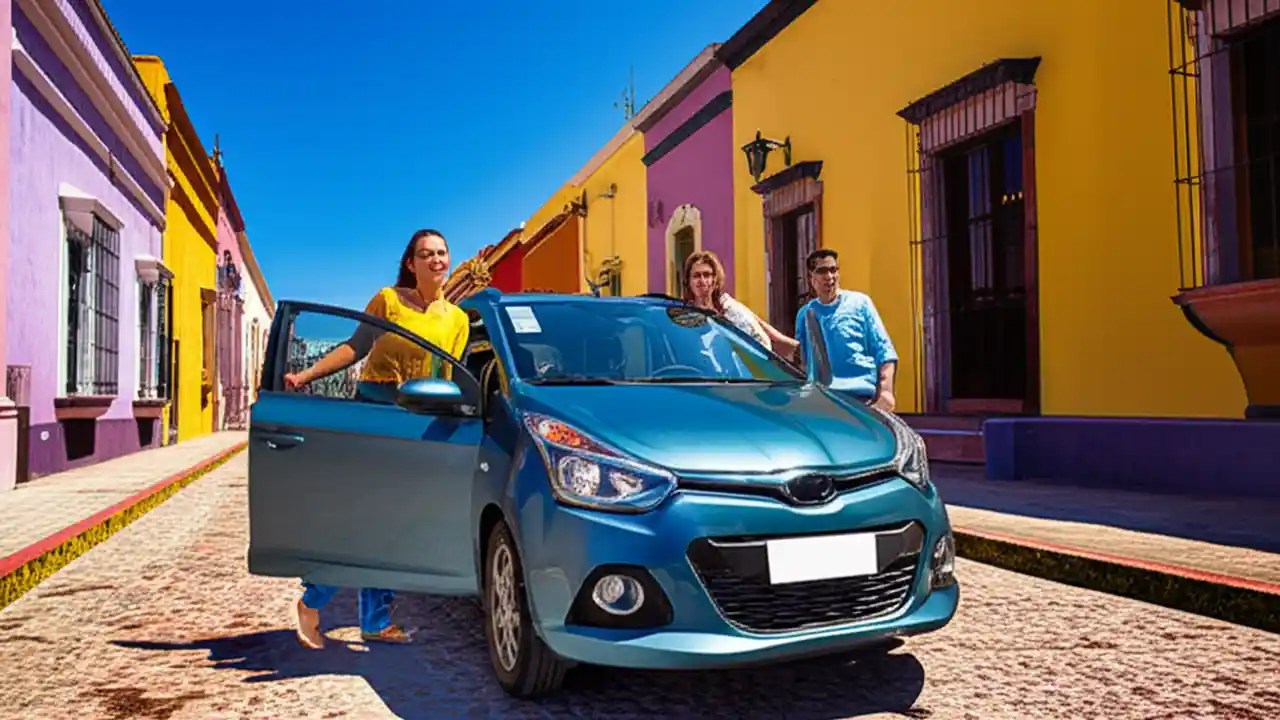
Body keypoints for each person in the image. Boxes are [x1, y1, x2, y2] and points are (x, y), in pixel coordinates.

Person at [283, 228, 470, 649]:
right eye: (427, 254)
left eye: (442, 253)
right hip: (374, 410)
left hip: (417, 419)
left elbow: (449, 375)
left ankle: (374, 619)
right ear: (411, 262)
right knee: (367, 518)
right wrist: (306, 375)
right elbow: (355, 347)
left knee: (396, 524)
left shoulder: (456, 320)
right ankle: (314, 599)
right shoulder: (387, 300)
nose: (437, 260)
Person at [794, 248, 898, 411]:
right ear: (811, 278)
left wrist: (886, 392)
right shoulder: (805, 314)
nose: (829, 277)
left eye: (833, 270)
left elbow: (884, 351)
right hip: (822, 401)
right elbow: (800, 361)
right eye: (822, 271)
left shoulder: (860, 304)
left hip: (862, 399)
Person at [682, 250, 799, 358]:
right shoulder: (684, 314)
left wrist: (795, 348)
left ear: (714, 279)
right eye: (696, 276)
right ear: (688, 281)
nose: (702, 281)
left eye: (707, 275)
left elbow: (756, 332)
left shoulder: (727, 306)